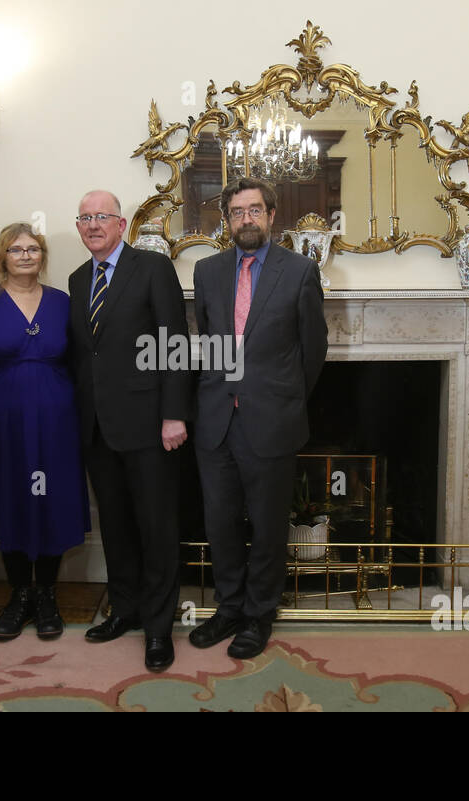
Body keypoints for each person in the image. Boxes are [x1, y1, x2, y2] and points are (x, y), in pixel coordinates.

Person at [188, 177, 327, 660]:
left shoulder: (302, 271)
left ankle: (259, 614)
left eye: (254, 210)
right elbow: (208, 342)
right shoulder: (206, 272)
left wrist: (281, 398)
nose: (245, 219)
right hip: (216, 419)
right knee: (221, 521)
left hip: (272, 420)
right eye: (236, 212)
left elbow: (313, 351)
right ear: (226, 220)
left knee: (268, 525)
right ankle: (229, 607)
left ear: (271, 216)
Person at [67, 190, 191, 672]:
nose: (93, 224)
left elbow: (173, 341)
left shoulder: (152, 268)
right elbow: (86, 355)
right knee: (115, 527)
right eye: (85, 218)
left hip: (149, 425)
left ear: (122, 224)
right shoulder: (79, 279)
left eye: (102, 217)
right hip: (97, 428)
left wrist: (175, 414)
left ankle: (159, 629)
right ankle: (125, 609)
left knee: (156, 529)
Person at [0, 223, 89, 640]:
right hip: (2, 425)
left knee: (52, 503)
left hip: (57, 425)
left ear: (42, 256)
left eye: (33, 249)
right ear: (2, 257)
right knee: (10, 503)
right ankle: (19, 597)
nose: (25, 255)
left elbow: (83, 363)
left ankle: (47, 595)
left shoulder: (62, 303)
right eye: (16, 249)